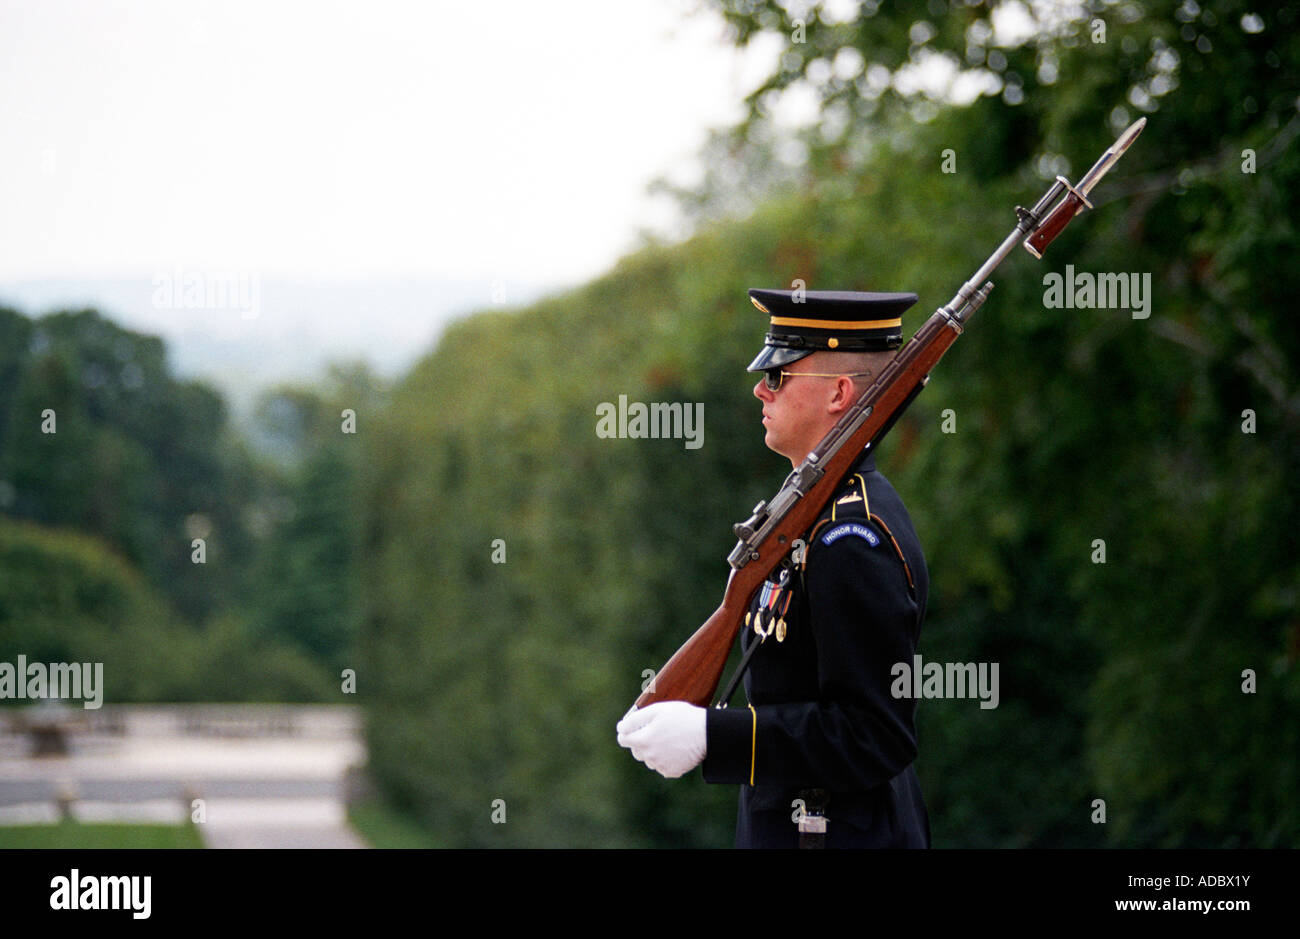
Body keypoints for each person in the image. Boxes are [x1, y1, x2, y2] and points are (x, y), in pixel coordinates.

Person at [616, 287, 931, 848]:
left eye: (780, 376)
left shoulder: (851, 537)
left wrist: (716, 733)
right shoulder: (810, 510)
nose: (761, 388)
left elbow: (875, 735)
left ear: (838, 392)